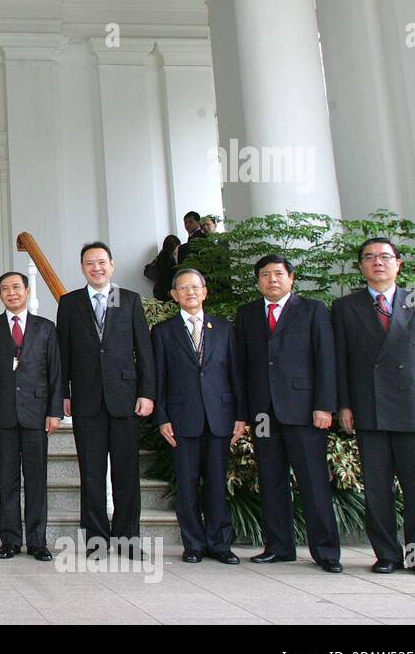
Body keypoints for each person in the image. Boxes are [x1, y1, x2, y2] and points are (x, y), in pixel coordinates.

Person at [333, 238, 415, 578]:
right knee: (377, 488)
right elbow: (340, 362)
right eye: (370, 257)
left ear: (398, 263)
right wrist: (343, 403)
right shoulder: (346, 307)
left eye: (385, 257)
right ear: (361, 266)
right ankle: (385, 554)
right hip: (369, 407)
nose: (378, 263)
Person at [234, 254, 342, 572]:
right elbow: (241, 367)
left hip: (304, 411)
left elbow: (326, 360)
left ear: (291, 277)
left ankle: (326, 552)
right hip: (264, 413)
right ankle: (279, 546)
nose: (272, 279)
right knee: (271, 480)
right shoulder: (248, 314)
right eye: (265, 275)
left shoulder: (312, 311)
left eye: (278, 274)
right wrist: (244, 412)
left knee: (313, 481)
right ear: (258, 281)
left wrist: (325, 405)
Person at [56, 242, 155, 557]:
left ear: (111, 264)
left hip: (125, 398)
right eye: (89, 263)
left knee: (126, 472)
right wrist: (64, 394)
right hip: (86, 400)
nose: (96, 268)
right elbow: (62, 353)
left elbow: (145, 352)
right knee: (91, 472)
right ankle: (96, 540)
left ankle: (128, 540)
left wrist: (147, 392)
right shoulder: (70, 303)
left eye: (101, 262)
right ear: (82, 268)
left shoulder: (128, 300)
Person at [153, 269, 247, 564]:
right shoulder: (163, 332)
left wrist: (240, 416)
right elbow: (159, 379)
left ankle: (220, 543)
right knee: (187, 483)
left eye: (195, 287)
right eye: (183, 288)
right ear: (174, 295)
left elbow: (236, 375)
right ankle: (193, 543)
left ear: (205, 292)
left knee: (218, 483)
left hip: (219, 416)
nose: (190, 292)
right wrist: (162, 417)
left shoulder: (223, 329)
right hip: (182, 418)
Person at [0, 272, 64, 561]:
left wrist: (54, 412)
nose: (11, 293)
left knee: (37, 480)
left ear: (26, 291)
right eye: (5, 289)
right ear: (0, 295)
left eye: (16, 287)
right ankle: (10, 540)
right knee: (8, 480)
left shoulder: (46, 328)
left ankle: (37, 541)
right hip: (1, 416)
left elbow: (55, 373)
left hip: (37, 415)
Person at [144, 234, 181, 300]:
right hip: (165, 292)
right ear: (174, 246)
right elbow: (165, 276)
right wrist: (169, 291)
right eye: (178, 246)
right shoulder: (167, 257)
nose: (179, 249)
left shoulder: (161, 255)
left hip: (160, 291)